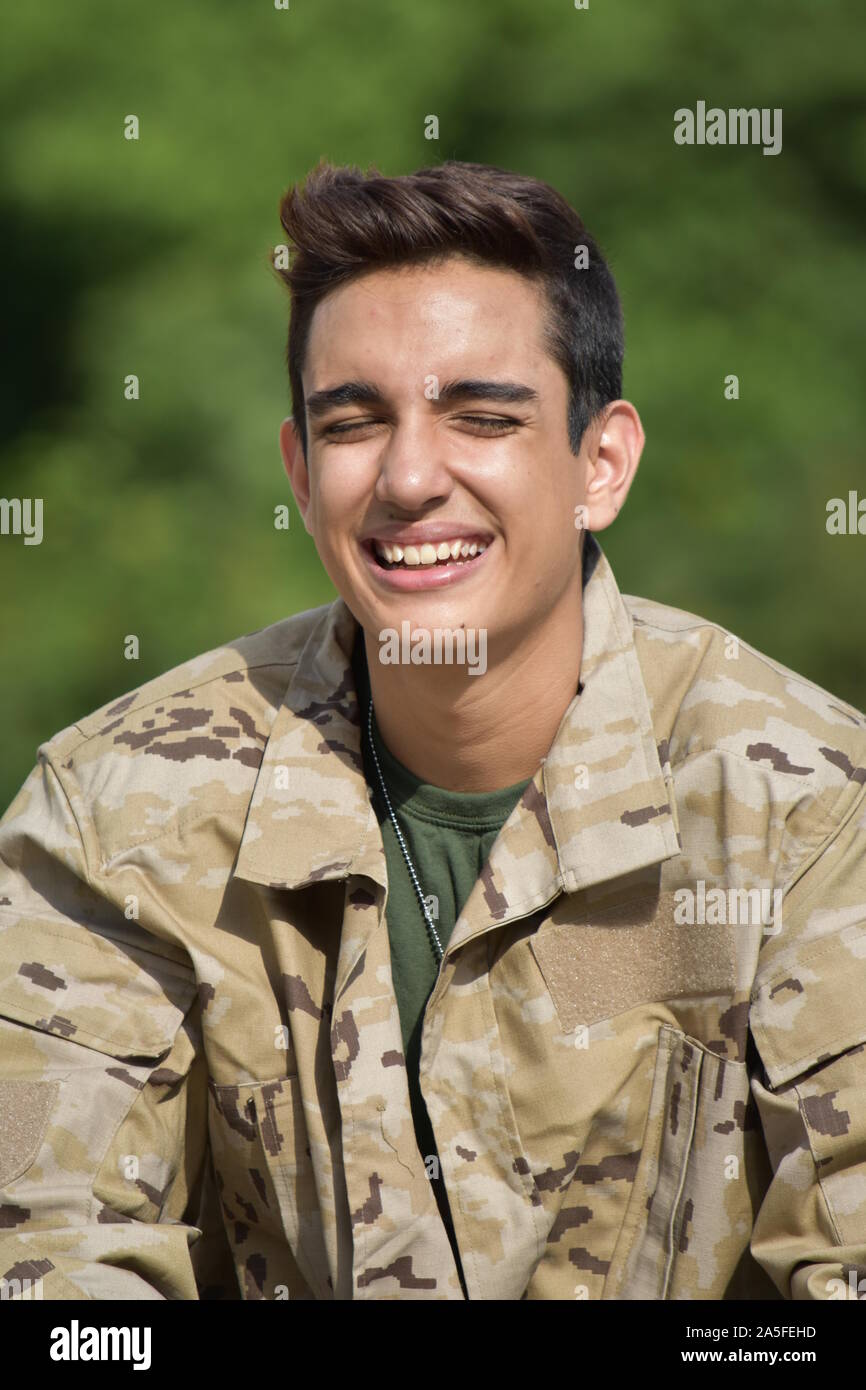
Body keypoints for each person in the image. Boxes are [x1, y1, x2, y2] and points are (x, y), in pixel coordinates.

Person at [1, 159, 865, 1302]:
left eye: (481, 417)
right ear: (300, 474)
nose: (409, 476)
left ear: (598, 464)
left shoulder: (807, 811)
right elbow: (50, 1275)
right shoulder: (115, 813)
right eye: (353, 424)